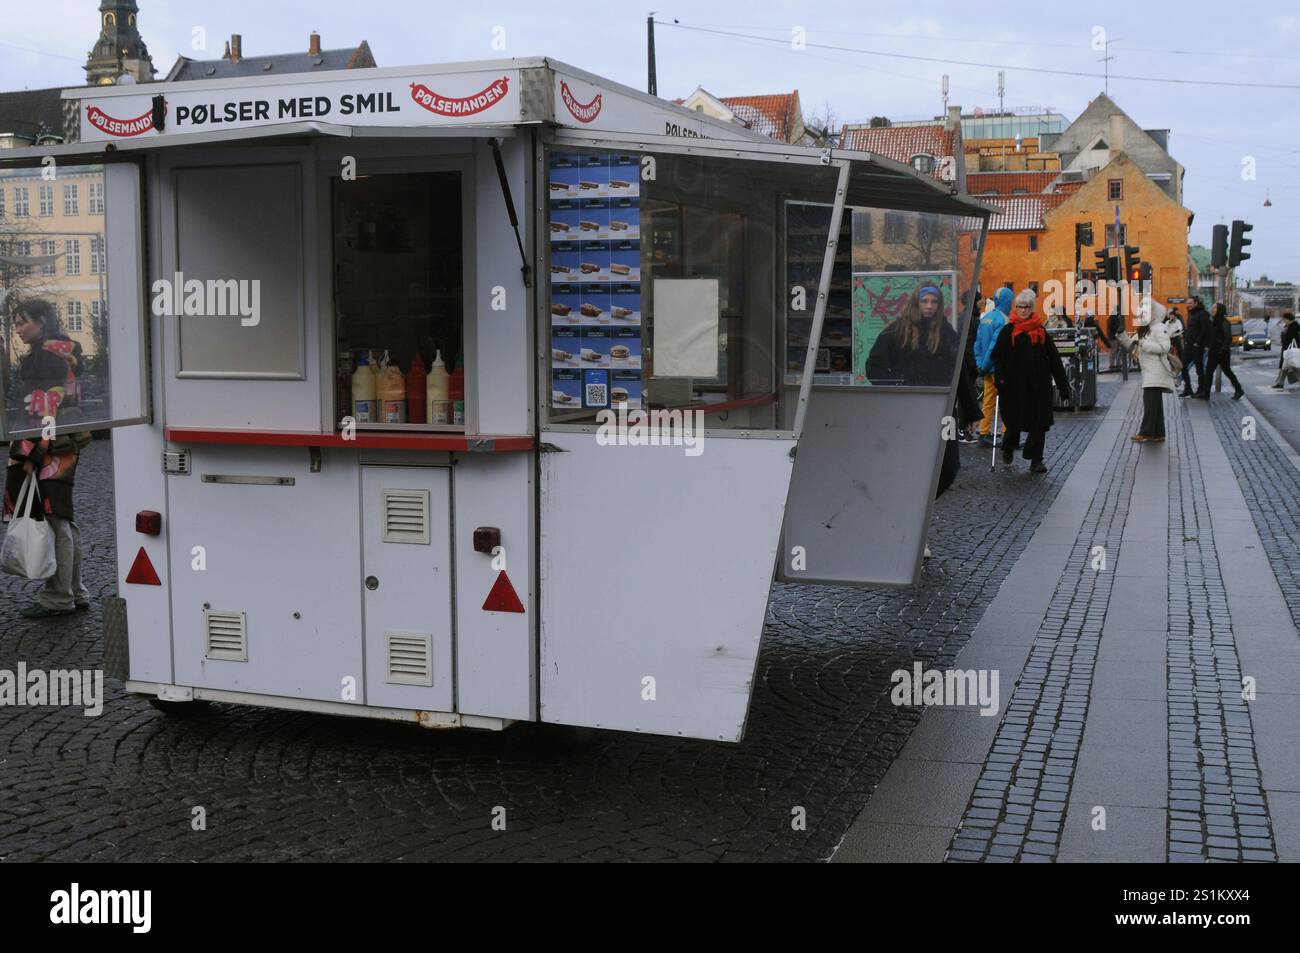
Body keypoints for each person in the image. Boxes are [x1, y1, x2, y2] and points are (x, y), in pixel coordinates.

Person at [3, 298, 92, 618]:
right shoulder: (63, 351)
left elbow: (45, 406)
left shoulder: (45, 358)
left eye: (22, 322)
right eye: (15, 322)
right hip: (64, 442)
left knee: (55, 520)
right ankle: (75, 590)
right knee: (64, 518)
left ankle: (59, 596)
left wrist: (35, 452)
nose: (18, 328)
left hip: (48, 445)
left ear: (41, 322)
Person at [992, 288, 1070, 474]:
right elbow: (998, 357)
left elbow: (1054, 359)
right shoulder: (1008, 330)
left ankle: (1036, 459)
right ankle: (1009, 446)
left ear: (1032, 308)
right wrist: (1000, 379)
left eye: (1026, 307)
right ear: (1016, 308)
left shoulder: (1041, 331)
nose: (1023, 310)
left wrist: (1063, 385)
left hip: (1038, 387)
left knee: (1039, 424)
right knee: (1013, 424)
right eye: (1020, 307)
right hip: (1014, 388)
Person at [865, 283, 959, 387]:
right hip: (904, 397)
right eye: (924, 301)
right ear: (916, 303)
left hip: (937, 397)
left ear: (939, 305)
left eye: (934, 301)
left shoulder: (946, 331)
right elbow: (874, 366)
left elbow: (957, 365)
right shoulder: (897, 330)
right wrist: (894, 387)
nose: (929, 306)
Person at [1131, 301, 1178, 442]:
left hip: (1156, 370)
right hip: (1150, 370)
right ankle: (1158, 433)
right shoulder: (1148, 328)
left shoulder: (1159, 327)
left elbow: (1165, 347)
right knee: (1155, 403)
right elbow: (1133, 343)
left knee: (1150, 403)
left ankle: (1146, 432)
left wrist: (1144, 345)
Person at [973, 287, 1013, 447]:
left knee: (988, 400)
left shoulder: (986, 318)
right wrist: (987, 365)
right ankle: (1007, 433)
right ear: (1008, 302)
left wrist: (981, 366)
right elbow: (994, 347)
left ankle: (983, 432)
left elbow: (978, 344)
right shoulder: (1004, 321)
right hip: (1000, 369)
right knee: (1006, 401)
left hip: (987, 369)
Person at [1194, 302, 1244, 400]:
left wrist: (1221, 350)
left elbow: (1228, 338)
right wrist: (1208, 345)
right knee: (1209, 372)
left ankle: (1238, 390)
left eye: (1214, 308)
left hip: (1221, 352)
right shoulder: (1214, 321)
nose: (1212, 310)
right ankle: (1206, 393)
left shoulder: (1224, 322)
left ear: (1219, 310)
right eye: (1212, 308)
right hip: (1214, 351)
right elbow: (1211, 336)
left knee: (1226, 372)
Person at [1182, 296, 1210, 396]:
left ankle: (1201, 390)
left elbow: (1204, 330)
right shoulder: (1190, 314)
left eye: (1190, 303)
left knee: (1199, 369)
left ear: (1196, 303)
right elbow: (1190, 329)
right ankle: (1188, 388)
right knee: (1183, 366)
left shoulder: (1202, 314)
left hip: (1197, 346)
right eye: (1187, 303)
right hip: (1188, 345)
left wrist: (1197, 342)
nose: (1188, 305)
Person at [1271, 311, 1300, 389]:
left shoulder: (1294, 326)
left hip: (1291, 350)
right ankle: (1280, 383)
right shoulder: (1289, 326)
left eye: (1284, 319)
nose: (1284, 321)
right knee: (1284, 367)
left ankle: (1280, 383)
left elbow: (1290, 338)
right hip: (1287, 350)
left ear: (1288, 319)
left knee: (1293, 367)